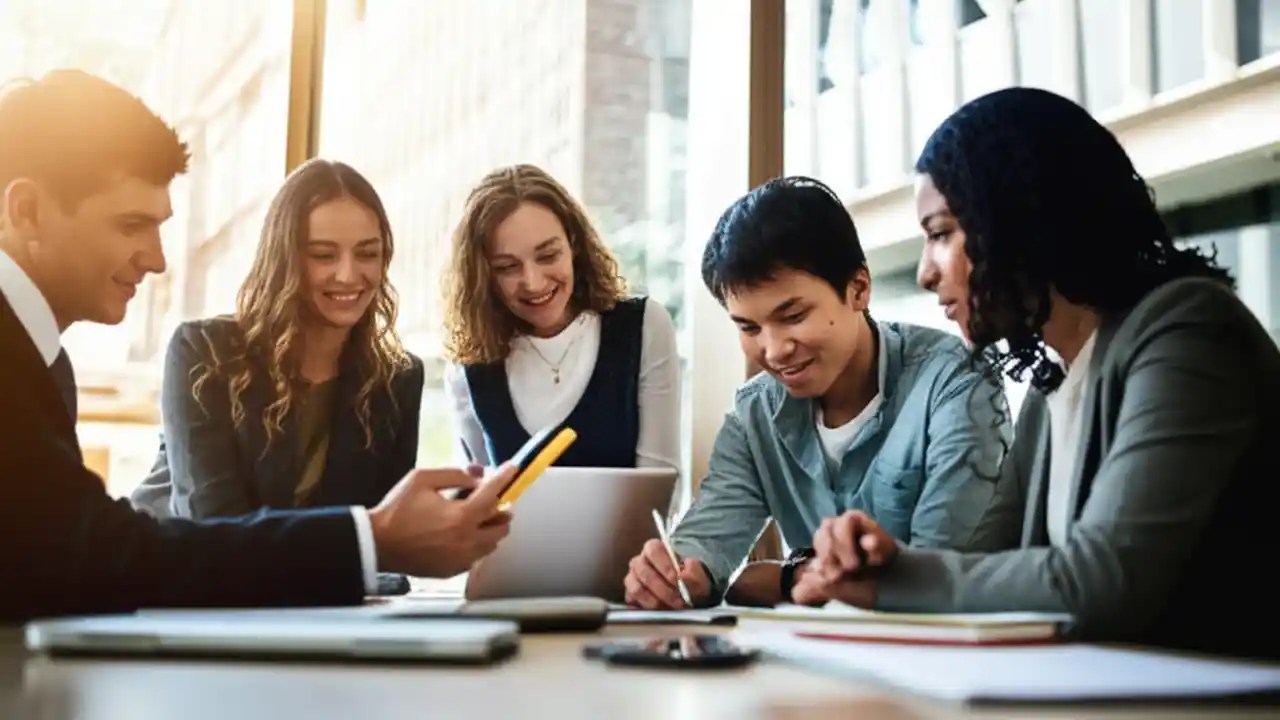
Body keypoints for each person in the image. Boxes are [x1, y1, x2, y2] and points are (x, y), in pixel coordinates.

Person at [0, 69, 512, 622]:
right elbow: (116, 549)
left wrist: (397, 535)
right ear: (27, 211)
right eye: (130, 225)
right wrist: (373, 537)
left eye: (368, 252)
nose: (157, 259)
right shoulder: (191, 351)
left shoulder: (40, 357)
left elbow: (55, 555)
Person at [797, 87, 1280, 659]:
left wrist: (894, 582)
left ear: (1021, 218)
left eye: (942, 232)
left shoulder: (1188, 331)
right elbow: (991, 565)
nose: (926, 272)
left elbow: (1103, 582)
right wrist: (870, 559)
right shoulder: (1055, 380)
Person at [622, 176, 1016, 610]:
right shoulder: (755, 415)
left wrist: (785, 577)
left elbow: (943, 574)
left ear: (859, 289)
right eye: (749, 328)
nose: (772, 352)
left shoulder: (958, 383)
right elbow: (705, 557)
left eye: (792, 316)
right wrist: (672, 576)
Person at [130, 159, 423, 519]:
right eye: (323, 255)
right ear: (283, 259)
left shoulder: (397, 380)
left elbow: (384, 532)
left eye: (367, 253)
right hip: (182, 568)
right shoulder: (204, 352)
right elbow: (213, 524)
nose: (349, 275)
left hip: (309, 574)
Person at [441, 164, 680, 471]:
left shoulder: (645, 327)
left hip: (629, 523)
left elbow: (659, 486)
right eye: (507, 267)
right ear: (482, 275)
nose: (534, 282)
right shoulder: (469, 365)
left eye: (548, 256)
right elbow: (475, 497)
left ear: (574, 245)